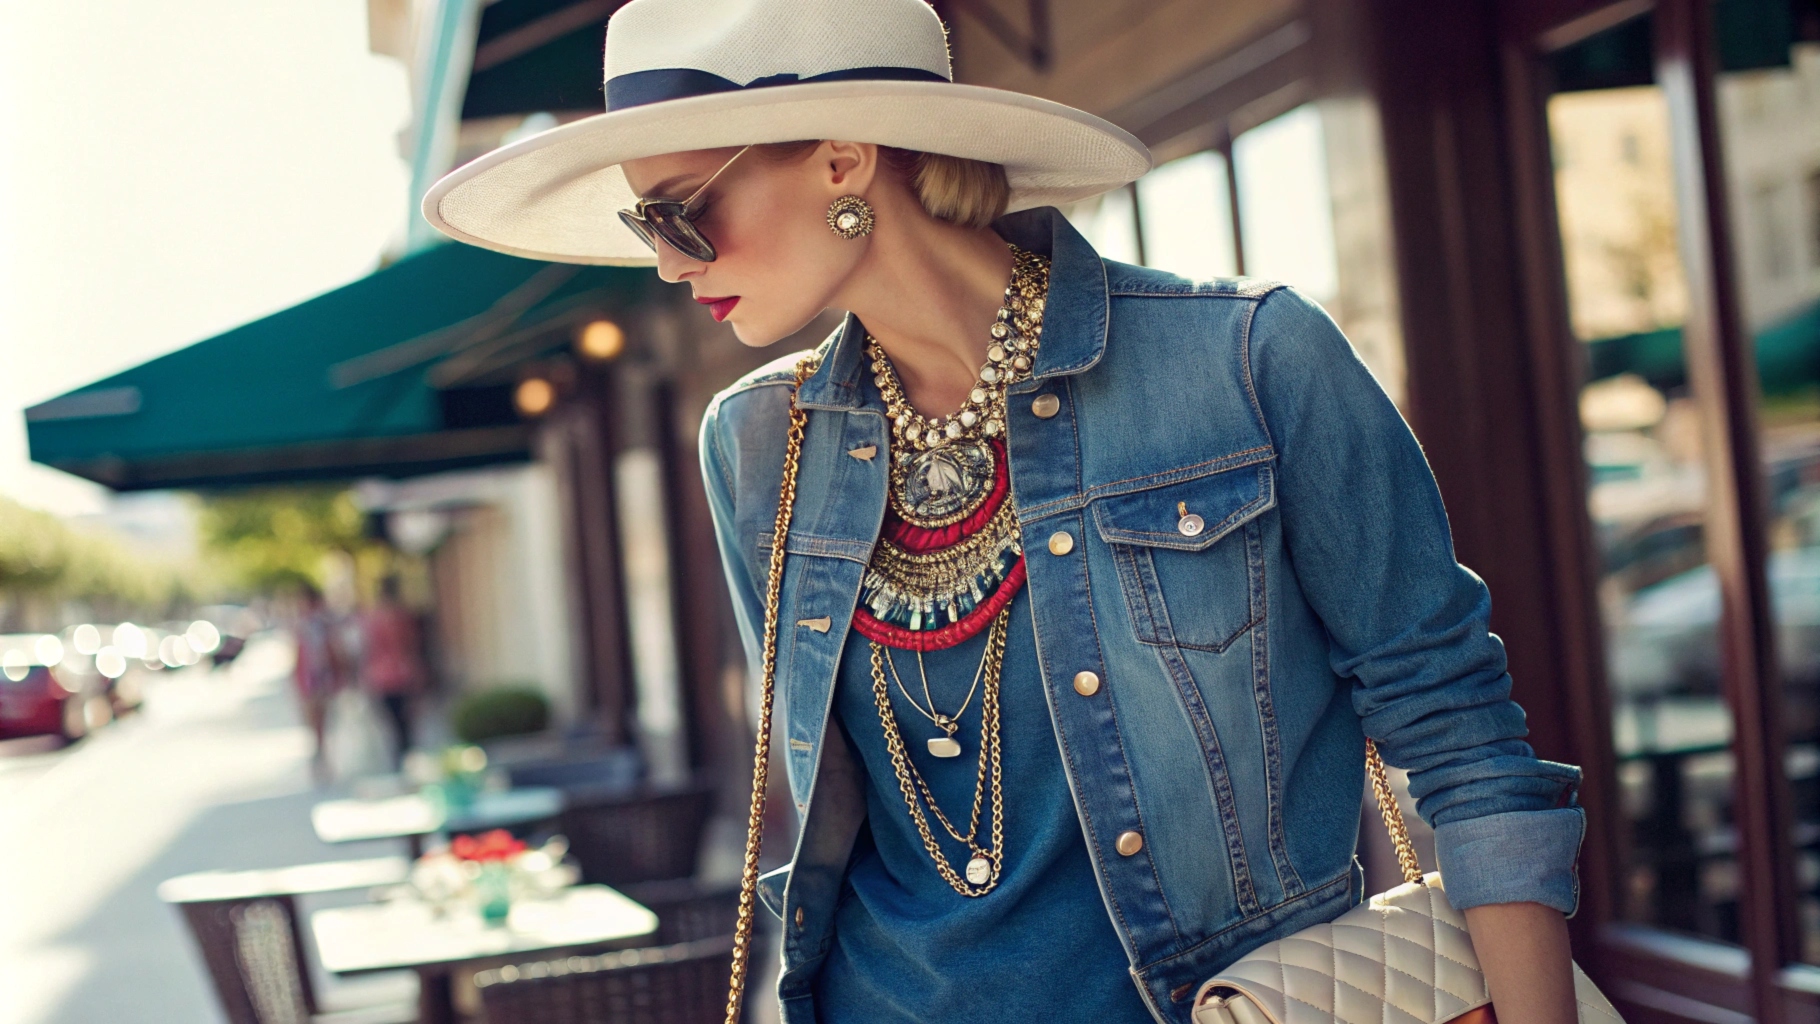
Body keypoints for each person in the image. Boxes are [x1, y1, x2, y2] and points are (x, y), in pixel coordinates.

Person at [422, 2, 1585, 1022]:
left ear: (840, 158)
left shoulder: (1247, 361)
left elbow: (1457, 728)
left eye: (681, 214)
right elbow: (822, 812)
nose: (671, 266)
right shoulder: (757, 444)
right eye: (646, 229)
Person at [359, 575, 426, 767]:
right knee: (406, 724)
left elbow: (368, 650)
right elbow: (412, 647)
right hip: (400, 675)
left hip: (383, 677)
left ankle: (402, 760)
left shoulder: (374, 619)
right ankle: (407, 760)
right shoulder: (400, 617)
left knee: (395, 725)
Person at [292, 582, 342, 783]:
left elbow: (334, 653)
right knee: (318, 726)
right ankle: (321, 761)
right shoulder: (306, 625)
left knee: (322, 725)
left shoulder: (322, 624)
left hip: (321, 680)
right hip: (314, 681)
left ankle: (323, 761)